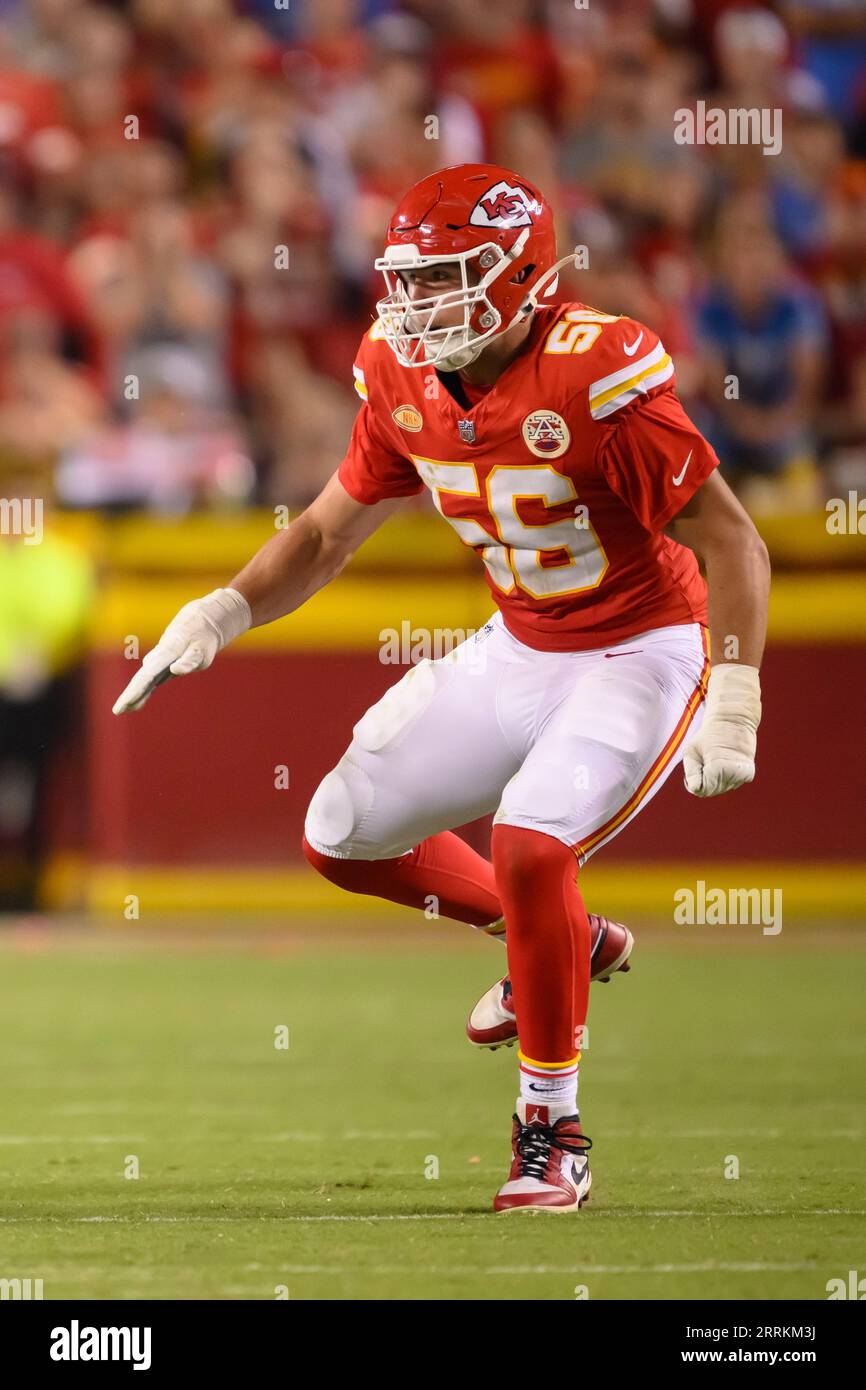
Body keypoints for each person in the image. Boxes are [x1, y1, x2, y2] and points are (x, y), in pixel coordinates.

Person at [113, 164, 770, 1213]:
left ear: (522, 277)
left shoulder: (592, 367)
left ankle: (549, 1129)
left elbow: (730, 539)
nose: (424, 307)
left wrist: (733, 693)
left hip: (641, 646)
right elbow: (326, 531)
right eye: (412, 282)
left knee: (528, 843)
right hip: (518, 642)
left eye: (453, 277)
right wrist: (222, 610)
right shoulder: (398, 369)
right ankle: (554, 937)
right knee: (340, 830)